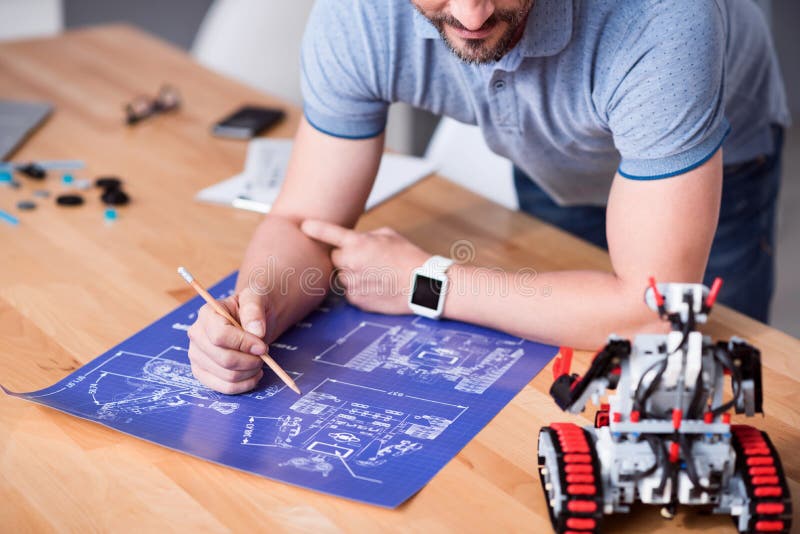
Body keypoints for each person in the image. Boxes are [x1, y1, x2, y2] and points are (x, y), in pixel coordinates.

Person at [187, 0, 789, 394]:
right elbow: (302, 221)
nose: (472, 14)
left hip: (714, 160)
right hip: (554, 155)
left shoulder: (664, 17)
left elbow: (652, 311)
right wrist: (254, 301)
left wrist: (429, 282)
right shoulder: (360, 12)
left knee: (708, 387)